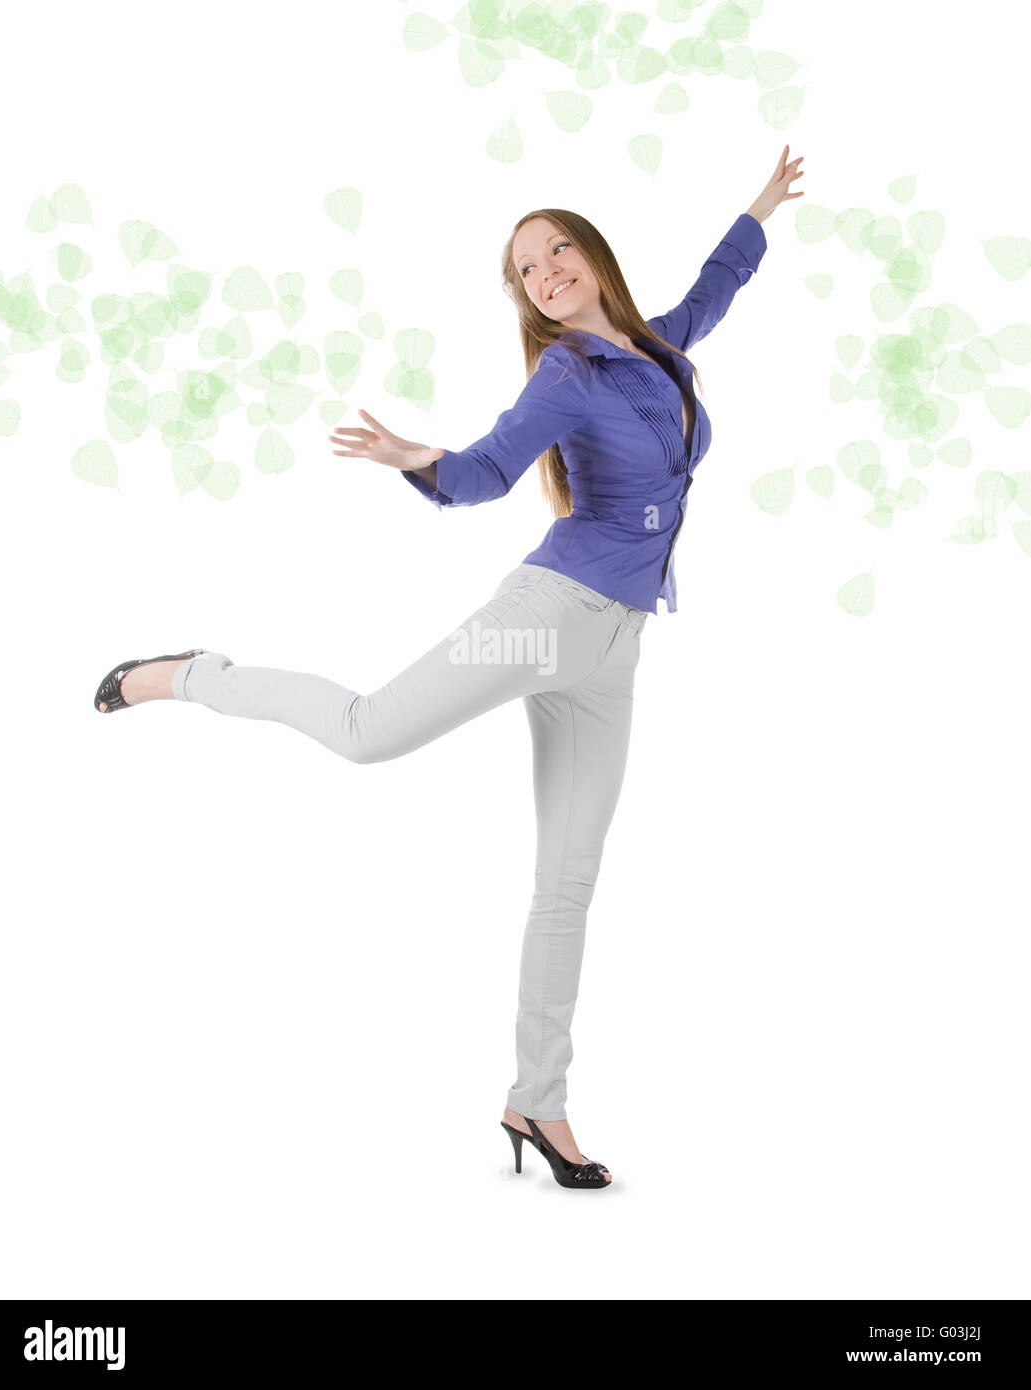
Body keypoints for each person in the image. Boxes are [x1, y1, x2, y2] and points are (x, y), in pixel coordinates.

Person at [93, 147, 804, 1190]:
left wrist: (760, 204)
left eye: (557, 247)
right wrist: (413, 459)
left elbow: (713, 289)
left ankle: (537, 1101)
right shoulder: (566, 371)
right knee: (369, 730)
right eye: (526, 267)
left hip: (615, 648)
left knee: (567, 882)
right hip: (546, 615)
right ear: (524, 295)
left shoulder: (658, 347)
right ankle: (195, 672)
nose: (547, 268)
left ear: (592, 255)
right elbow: (486, 470)